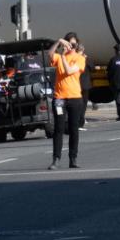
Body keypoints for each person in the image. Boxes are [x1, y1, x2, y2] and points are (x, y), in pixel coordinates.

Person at [49, 34, 88, 171]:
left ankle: (73, 158)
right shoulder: (59, 57)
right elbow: (50, 54)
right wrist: (58, 41)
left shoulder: (80, 58)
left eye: (73, 44)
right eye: (69, 43)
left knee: (73, 129)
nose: (71, 46)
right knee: (58, 129)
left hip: (75, 98)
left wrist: (64, 56)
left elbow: (69, 70)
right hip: (60, 97)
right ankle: (56, 159)